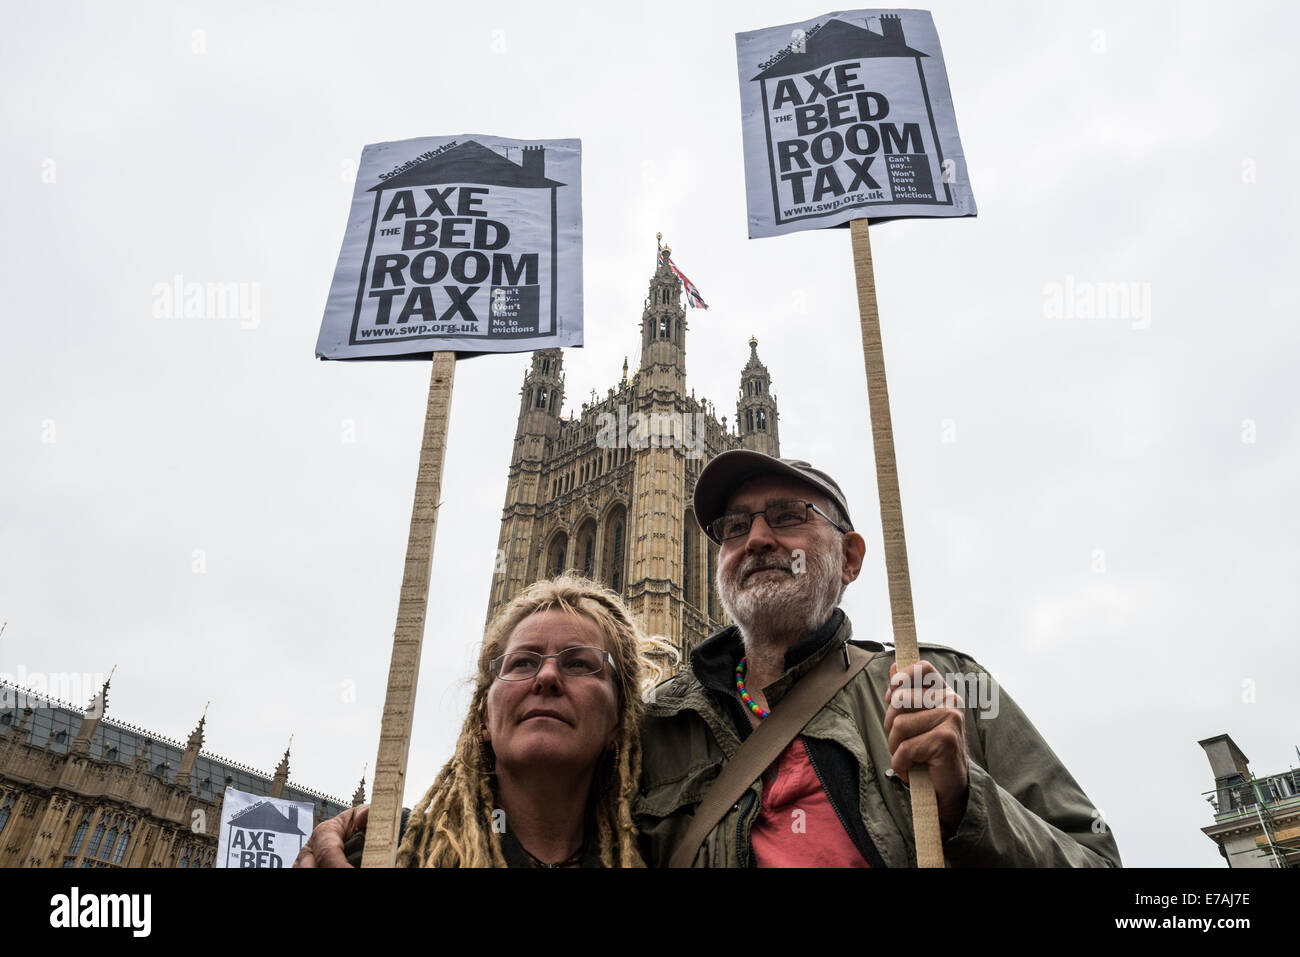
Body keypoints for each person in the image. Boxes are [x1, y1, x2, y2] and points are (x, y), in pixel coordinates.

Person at [633, 449, 1121, 867]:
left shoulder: (945, 684)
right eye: (735, 527)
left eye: (787, 516)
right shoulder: (655, 724)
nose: (757, 539)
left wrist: (964, 798)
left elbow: (1092, 859)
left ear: (850, 557)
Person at [294, 575, 673, 867]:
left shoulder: (664, 854)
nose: (546, 677)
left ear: (618, 724)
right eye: (523, 662)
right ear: (483, 718)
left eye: (579, 663)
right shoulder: (385, 851)